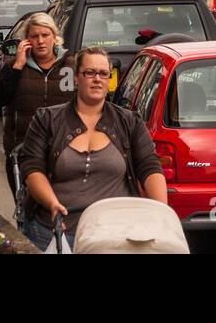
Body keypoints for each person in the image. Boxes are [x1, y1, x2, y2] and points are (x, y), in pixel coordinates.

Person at [20, 47, 167, 251]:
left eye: (103, 74)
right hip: (53, 230)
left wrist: (162, 213)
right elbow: (31, 168)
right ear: (76, 78)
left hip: (113, 235)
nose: (97, 79)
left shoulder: (130, 122)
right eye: (90, 73)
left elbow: (150, 167)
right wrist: (52, 204)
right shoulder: (46, 119)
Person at [0, 12, 76, 194]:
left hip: (65, 154)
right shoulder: (15, 67)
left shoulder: (70, 65)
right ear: (27, 40)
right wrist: (18, 66)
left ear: (54, 37)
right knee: (27, 211)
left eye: (45, 35)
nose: (40, 41)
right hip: (24, 153)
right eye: (35, 36)